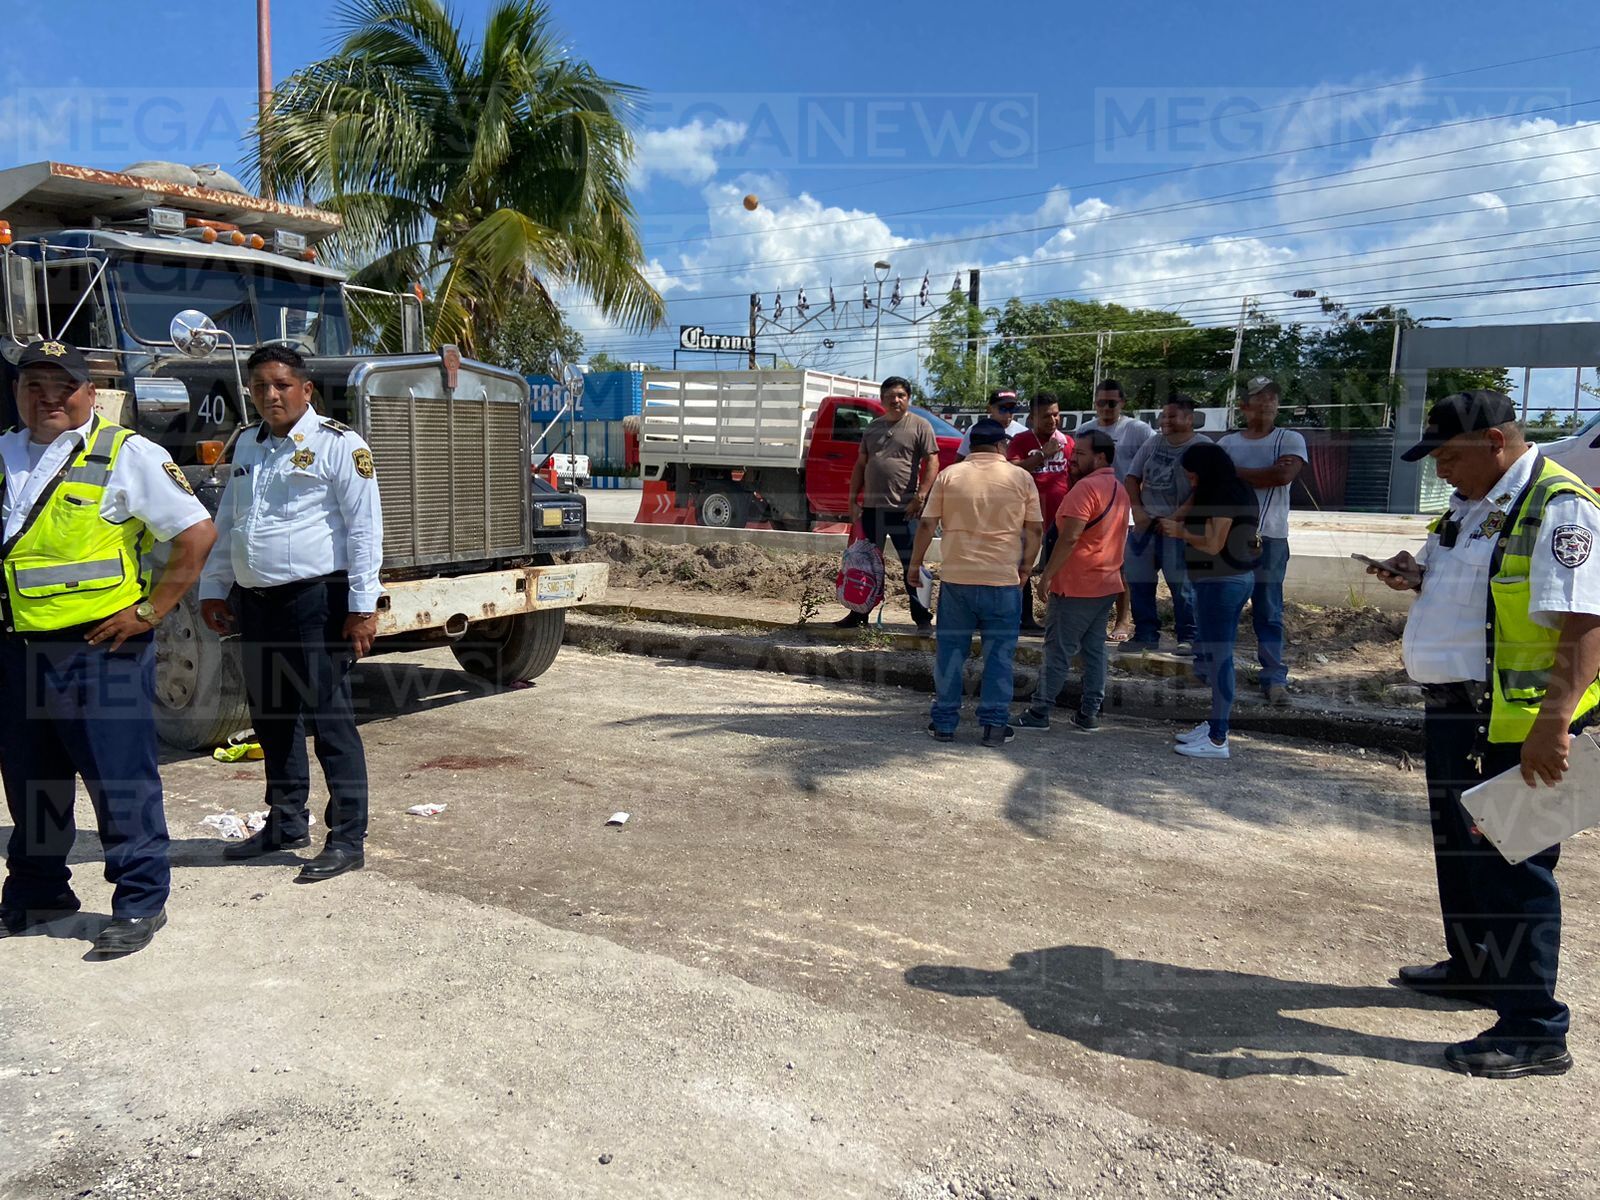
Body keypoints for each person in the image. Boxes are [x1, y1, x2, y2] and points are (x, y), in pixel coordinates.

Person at [1368, 391, 1600, 1079]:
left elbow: (1586, 621)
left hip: (1519, 723)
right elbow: (1474, 590)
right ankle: (1475, 968)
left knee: (1514, 869)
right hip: (1457, 714)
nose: (1440, 470)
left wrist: (1554, 723)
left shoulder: (1559, 506)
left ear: (1495, 441)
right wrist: (1416, 577)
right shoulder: (1471, 505)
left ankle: (1535, 1030)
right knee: (1463, 856)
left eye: (1448, 456)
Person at [0, 340, 216, 954]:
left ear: (90, 394)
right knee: (32, 782)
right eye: (34, 386)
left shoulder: (127, 453)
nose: (48, 398)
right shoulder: (4, 452)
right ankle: (38, 893)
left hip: (99, 652)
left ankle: (140, 901)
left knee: (120, 782)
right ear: (16, 392)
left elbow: (197, 534)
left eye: (62, 387)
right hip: (17, 650)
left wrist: (151, 611)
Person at [200, 344, 383, 884]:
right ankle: (284, 822)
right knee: (272, 720)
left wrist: (362, 607)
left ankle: (347, 838)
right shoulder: (249, 444)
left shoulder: (339, 445)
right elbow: (230, 521)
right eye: (260, 386)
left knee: (331, 724)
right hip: (257, 604)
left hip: (316, 603)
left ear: (306, 390)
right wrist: (214, 587)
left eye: (281, 385)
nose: (270, 394)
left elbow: (365, 530)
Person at [910, 419, 1042, 746]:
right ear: (1001, 445)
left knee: (951, 655)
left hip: (957, 581)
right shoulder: (1020, 477)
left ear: (970, 446)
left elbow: (926, 525)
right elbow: (1035, 530)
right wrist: (1026, 569)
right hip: (1003, 581)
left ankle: (944, 724)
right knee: (999, 657)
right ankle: (994, 727)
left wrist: (915, 564)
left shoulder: (949, 476)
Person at [1014, 429, 1130, 734]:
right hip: (1105, 583)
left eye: (1080, 453)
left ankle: (1040, 711)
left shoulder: (1086, 489)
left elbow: (1070, 537)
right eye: (1073, 452)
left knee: (1057, 650)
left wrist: (1046, 576)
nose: (1072, 458)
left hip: (1078, 585)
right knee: (1094, 651)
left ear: (1100, 457)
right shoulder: (1118, 487)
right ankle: (1089, 712)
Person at [1160, 442, 1261, 760]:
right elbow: (1182, 513)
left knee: (1220, 659)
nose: (1191, 482)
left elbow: (1213, 544)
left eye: (1193, 476)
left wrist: (1180, 532)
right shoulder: (1228, 488)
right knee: (1213, 656)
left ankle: (1218, 738)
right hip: (1220, 581)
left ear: (1206, 471)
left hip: (1222, 582)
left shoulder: (1223, 494)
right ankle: (1215, 724)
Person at [1219, 377, 1307, 705]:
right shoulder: (1227, 443)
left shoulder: (1290, 438)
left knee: (1268, 610)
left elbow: (1281, 476)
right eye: (1260, 397)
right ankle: (1214, 669)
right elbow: (1215, 481)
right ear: (1244, 406)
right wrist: (1261, 473)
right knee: (1223, 606)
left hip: (1270, 538)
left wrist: (1233, 472)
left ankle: (1273, 678)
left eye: (1273, 397)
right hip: (1230, 537)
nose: (1268, 402)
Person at [842, 375, 939, 634]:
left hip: (905, 511)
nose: (896, 400)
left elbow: (932, 462)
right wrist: (853, 500)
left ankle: (922, 619)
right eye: (890, 396)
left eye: (901, 395)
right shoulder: (873, 427)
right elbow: (861, 464)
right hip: (871, 510)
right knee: (864, 564)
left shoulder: (920, 426)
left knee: (912, 564)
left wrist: (921, 496)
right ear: (882, 399)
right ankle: (858, 614)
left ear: (908, 399)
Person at [1122, 394, 1203, 654]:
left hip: (1180, 529)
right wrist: (1138, 512)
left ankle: (1189, 637)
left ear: (1189, 419)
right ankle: (1145, 634)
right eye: (1163, 415)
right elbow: (1132, 477)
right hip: (1145, 526)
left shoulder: (1203, 447)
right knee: (1139, 582)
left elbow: (1205, 488)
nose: (1164, 421)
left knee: (1182, 586)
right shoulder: (1153, 442)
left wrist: (1176, 517)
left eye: (1172, 416)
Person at [1091, 379, 1155, 644]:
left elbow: (1153, 463)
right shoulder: (1086, 429)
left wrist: (1140, 505)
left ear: (1122, 403)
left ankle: (1123, 620)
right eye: (1101, 402)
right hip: (1095, 510)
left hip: (1127, 511)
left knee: (1124, 569)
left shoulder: (1138, 430)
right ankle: (1094, 621)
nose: (1106, 407)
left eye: (1112, 403)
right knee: (1095, 566)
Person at [1006, 391, 1074, 632]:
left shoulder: (1068, 442)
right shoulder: (1021, 441)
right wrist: (1043, 454)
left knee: (1060, 569)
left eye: (1056, 414)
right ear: (1032, 418)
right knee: (1021, 567)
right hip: (1027, 517)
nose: (1052, 420)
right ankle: (1023, 618)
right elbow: (1012, 471)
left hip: (1060, 518)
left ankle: (1058, 620)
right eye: (1046, 416)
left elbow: (1074, 476)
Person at [955, 389, 1028, 459]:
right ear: (989, 408)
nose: (1008, 414)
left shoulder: (1023, 433)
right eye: (1002, 409)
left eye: (1012, 409)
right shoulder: (975, 431)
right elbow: (960, 461)